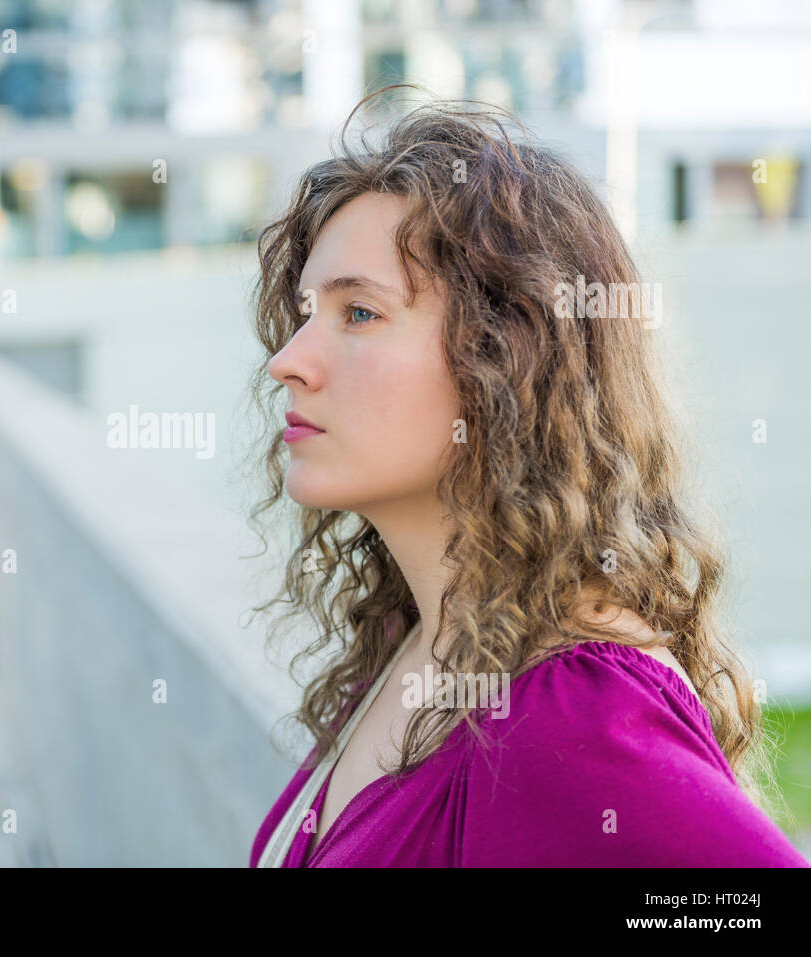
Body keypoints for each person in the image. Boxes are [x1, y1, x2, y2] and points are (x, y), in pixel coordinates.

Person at [241, 86, 809, 867]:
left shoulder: (573, 708)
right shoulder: (414, 641)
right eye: (305, 315)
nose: (287, 361)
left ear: (506, 356)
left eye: (359, 314)